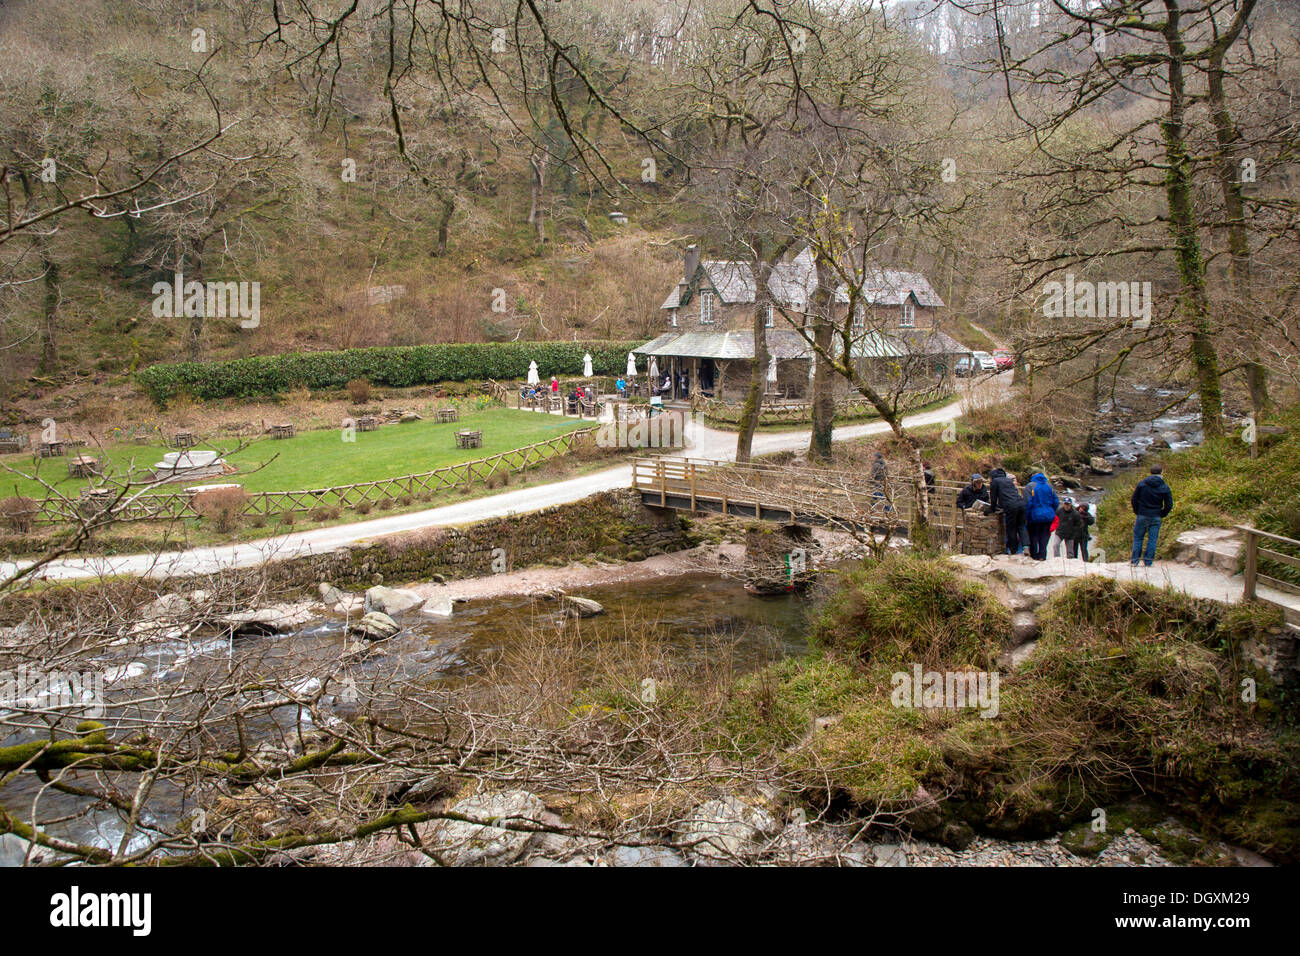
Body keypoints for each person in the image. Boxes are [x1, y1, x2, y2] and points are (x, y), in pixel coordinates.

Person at [1131, 464, 1173, 566]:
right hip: (1156, 516)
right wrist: (1162, 513)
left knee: (1138, 538)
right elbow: (1169, 504)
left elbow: (1134, 499)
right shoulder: (1164, 487)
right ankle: (1148, 562)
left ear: (1150, 472)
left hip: (1142, 514)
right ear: (1161, 473)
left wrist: (1137, 511)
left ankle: (1134, 561)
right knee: (1152, 540)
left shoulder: (1142, 484)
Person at [983, 466, 1026, 555]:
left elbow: (993, 497)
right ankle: (1026, 547)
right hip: (1021, 504)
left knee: (1011, 528)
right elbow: (1013, 493)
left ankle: (1013, 550)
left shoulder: (995, 482)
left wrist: (992, 509)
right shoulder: (1008, 480)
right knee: (1021, 526)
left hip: (1011, 506)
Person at [1024, 472, 1059, 561]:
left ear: (1033, 477)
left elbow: (1028, 503)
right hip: (1048, 516)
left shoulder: (1030, 486)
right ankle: (1043, 556)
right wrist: (1051, 511)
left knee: (1033, 537)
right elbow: (1056, 502)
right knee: (1044, 537)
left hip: (1034, 516)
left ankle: (1034, 557)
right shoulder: (1049, 486)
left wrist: (1026, 516)